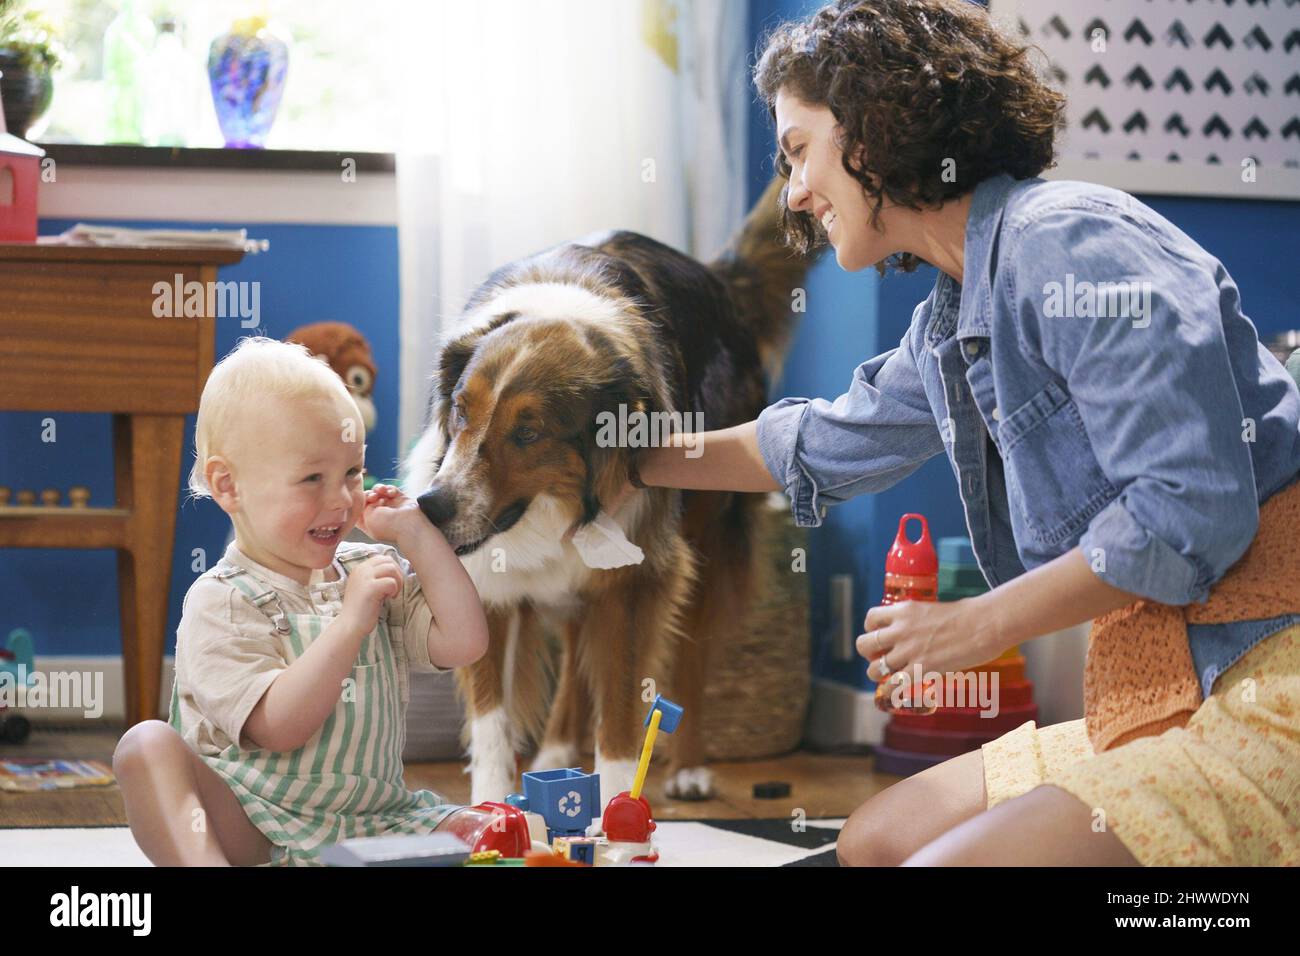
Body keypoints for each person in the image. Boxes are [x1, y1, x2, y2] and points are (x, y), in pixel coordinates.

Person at [620, 0, 1300, 866]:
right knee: (875, 840)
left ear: (871, 128)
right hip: (1161, 689)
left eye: (798, 151)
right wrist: (630, 460)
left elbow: (1190, 509)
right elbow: (825, 440)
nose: (792, 193)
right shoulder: (955, 313)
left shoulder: (1067, 246)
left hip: (1268, 677)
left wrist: (975, 625)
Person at [112, 337, 489, 866]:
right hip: (255, 825)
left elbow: (465, 641)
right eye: (313, 478)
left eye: (352, 474)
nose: (340, 498)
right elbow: (278, 726)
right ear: (229, 485)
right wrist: (351, 623)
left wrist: (418, 536)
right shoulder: (221, 602)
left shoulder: (365, 572)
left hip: (374, 820)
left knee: (495, 831)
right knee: (146, 746)